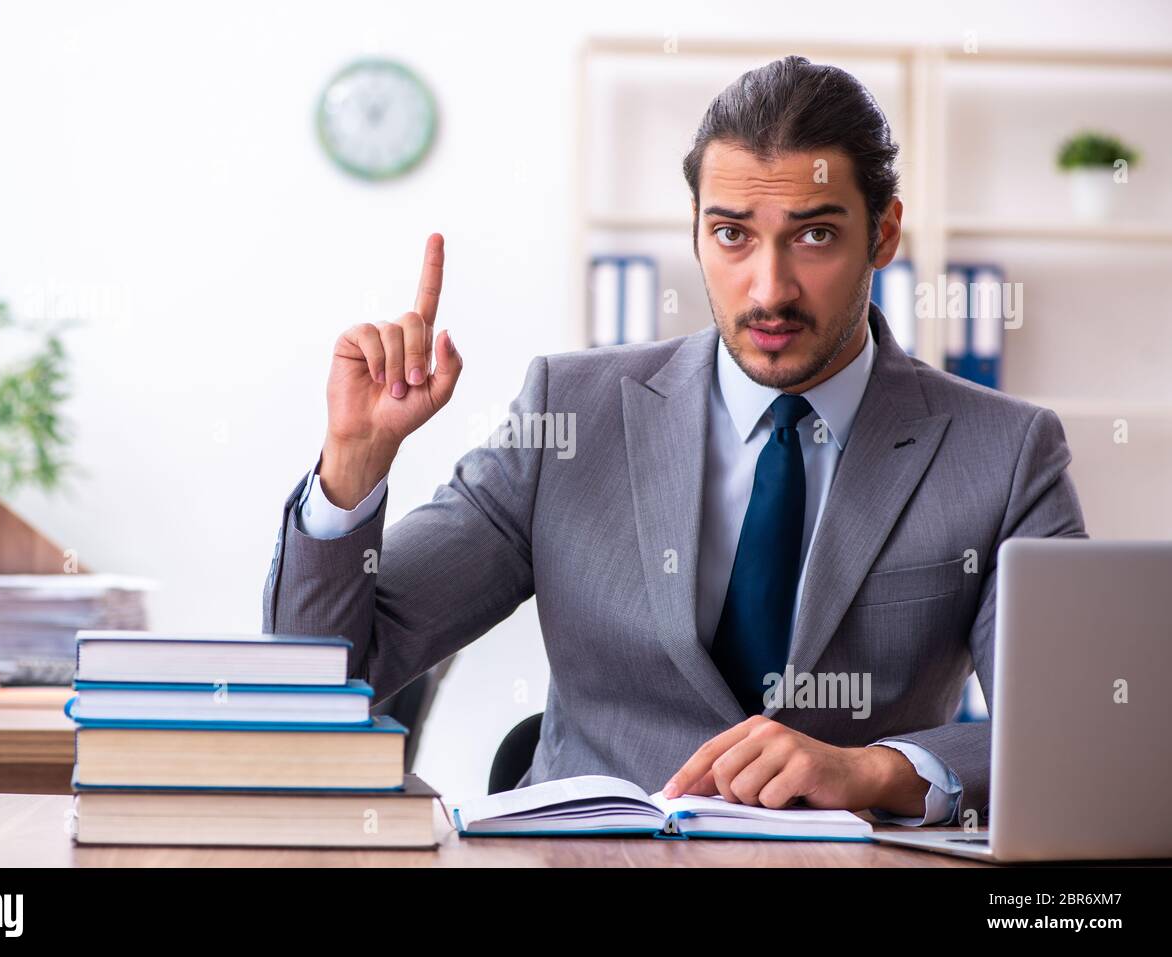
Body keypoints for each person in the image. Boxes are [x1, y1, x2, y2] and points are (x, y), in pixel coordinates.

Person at [262, 55, 1086, 825]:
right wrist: (354, 466)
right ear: (696, 231)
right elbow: (322, 678)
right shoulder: (569, 416)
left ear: (883, 234)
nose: (770, 289)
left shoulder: (1004, 452)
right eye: (732, 234)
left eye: (815, 235)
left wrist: (871, 770)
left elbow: (1067, 732)